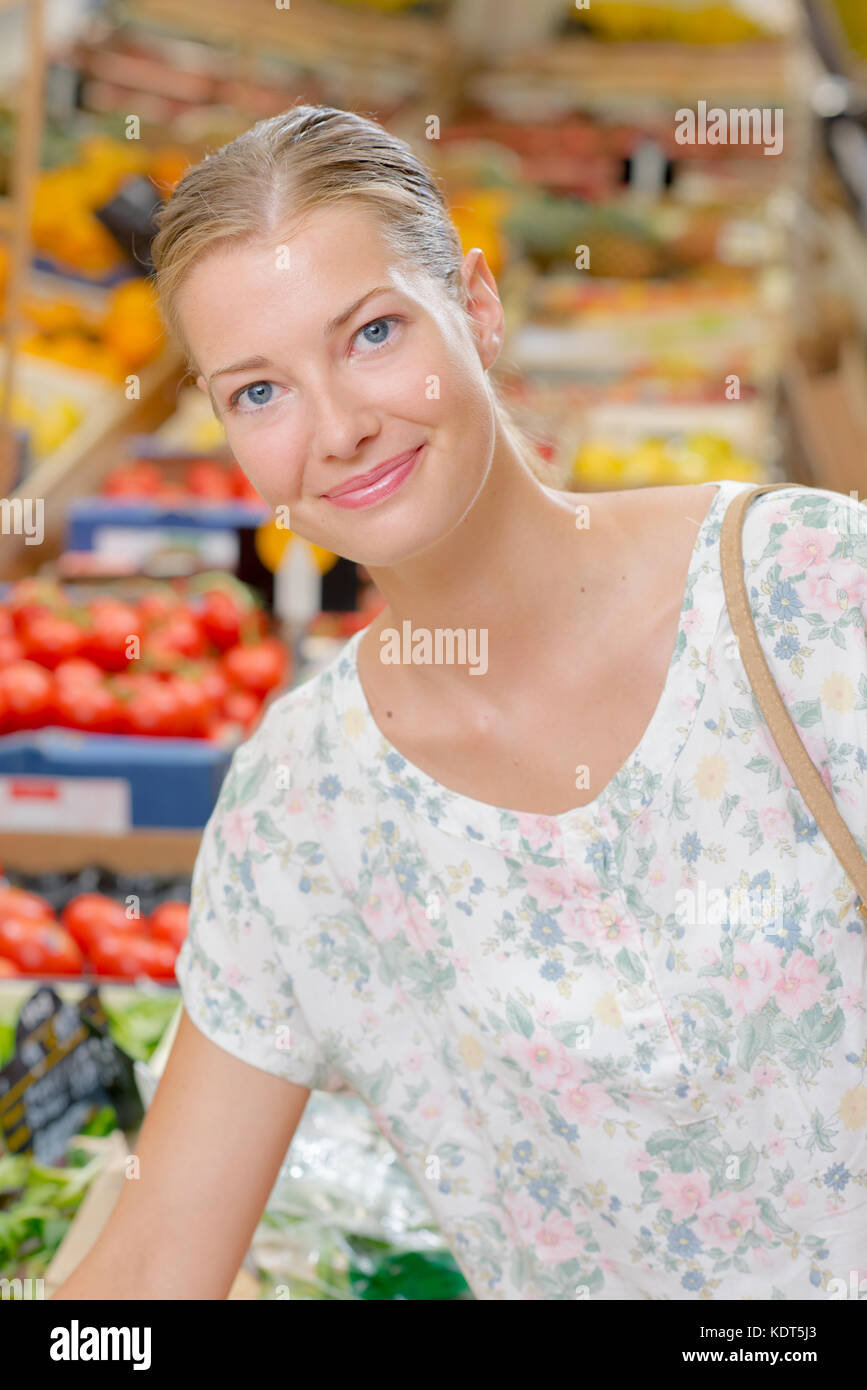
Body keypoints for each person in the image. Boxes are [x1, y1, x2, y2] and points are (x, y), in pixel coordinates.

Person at [53, 104, 867, 1302]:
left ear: (477, 308)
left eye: (373, 332)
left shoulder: (807, 596)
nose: (337, 427)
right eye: (259, 392)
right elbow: (155, 1262)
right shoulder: (304, 809)